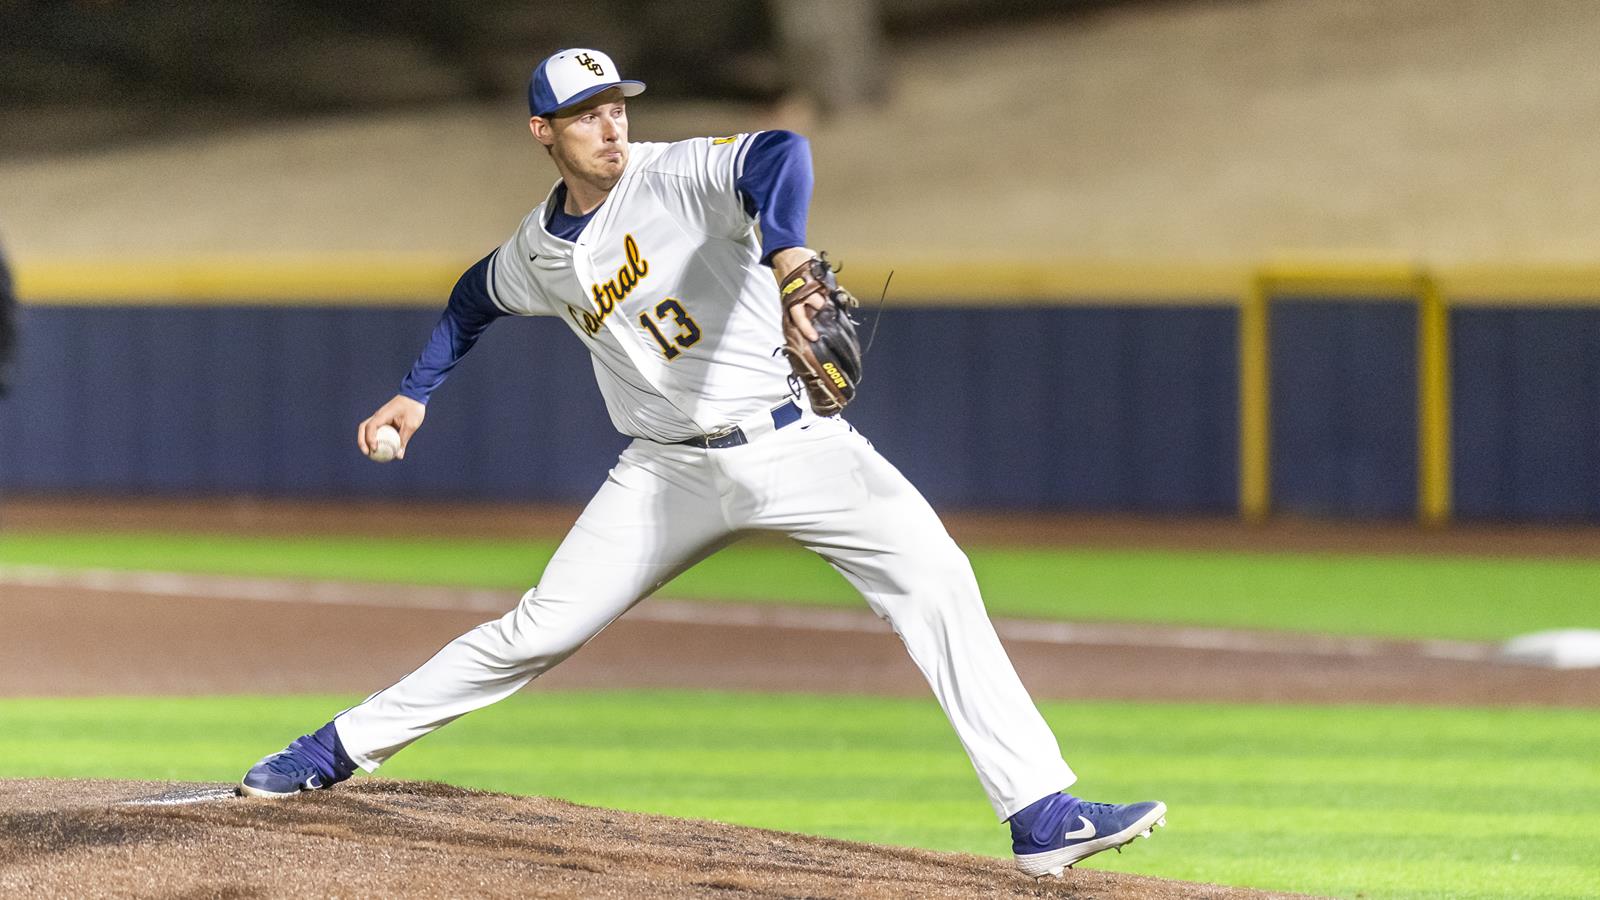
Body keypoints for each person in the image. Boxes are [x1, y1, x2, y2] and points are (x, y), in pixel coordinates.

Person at [238, 48, 1165, 877]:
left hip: (794, 442)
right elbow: (472, 297)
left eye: (617, 107)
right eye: (586, 115)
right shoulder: (539, 251)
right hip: (665, 472)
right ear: (543, 132)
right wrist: (416, 392)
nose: (611, 126)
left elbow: (780, 153)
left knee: (938, 580)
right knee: (536, 632)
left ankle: (1040, 815)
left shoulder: (674, 172)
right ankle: (330, 750)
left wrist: (788, 253)